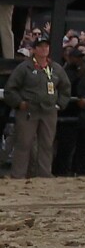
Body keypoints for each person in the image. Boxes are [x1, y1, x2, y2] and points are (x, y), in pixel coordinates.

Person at [6, 37, 68, 178]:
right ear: (34, 50)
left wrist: (60, 104)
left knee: (47, 143)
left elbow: (65, 88)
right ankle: (18, 175)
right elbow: (10, 88)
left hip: (49, 110)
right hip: (29, 110)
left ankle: (44, 174)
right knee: (24, 143)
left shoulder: (55, 68)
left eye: (46, 46)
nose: (44, 49)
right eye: (40, 47)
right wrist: (19, 103)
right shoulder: (24, 67)